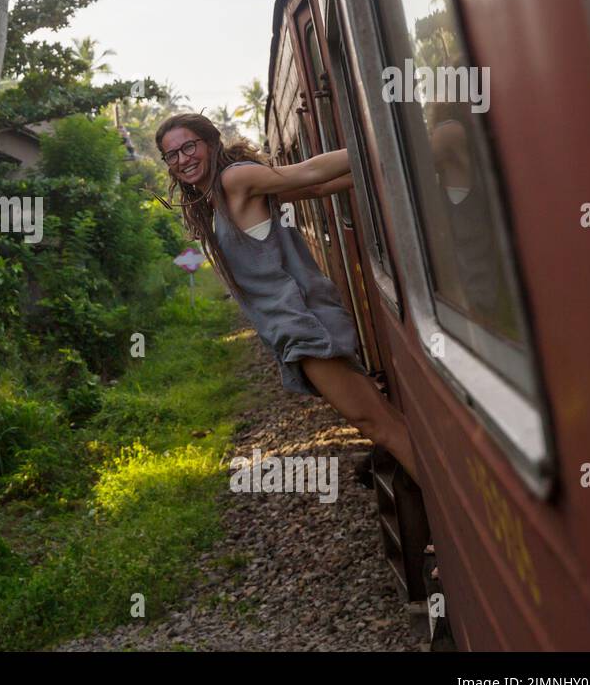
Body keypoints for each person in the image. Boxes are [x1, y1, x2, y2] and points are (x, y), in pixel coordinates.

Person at [156, 112, 417, 476]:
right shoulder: (217, 200)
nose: (183, 159)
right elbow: (315, 190)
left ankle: (449, 521)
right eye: (172, 155)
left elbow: (308, 174)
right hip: (299, 327)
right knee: (384, 421)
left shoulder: (234, 178)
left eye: (189, 147)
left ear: (211, 144)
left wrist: (393, 147)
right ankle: (443, 506)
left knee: (378, 426)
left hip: (305, 326)